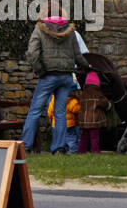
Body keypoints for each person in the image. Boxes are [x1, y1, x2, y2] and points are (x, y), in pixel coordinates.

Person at [21, 16, 87, 154]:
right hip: (66, 76)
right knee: (60, 113)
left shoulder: (40, 29)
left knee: (35, 111)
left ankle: (25, 146)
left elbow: (32, 53)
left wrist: (40, 70)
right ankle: (58, 148)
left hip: (48, 76)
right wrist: (87, 66)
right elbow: (78, 55)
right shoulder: (70, 31)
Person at [77, 70, 109, 153]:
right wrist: (108, 105)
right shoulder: (98, 93)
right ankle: (95, 151)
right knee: (94, 137)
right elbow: (104, 103)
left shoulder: (83, 93)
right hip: (94, 120)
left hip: (84, 120)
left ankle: (81, 151)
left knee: (84, 136)